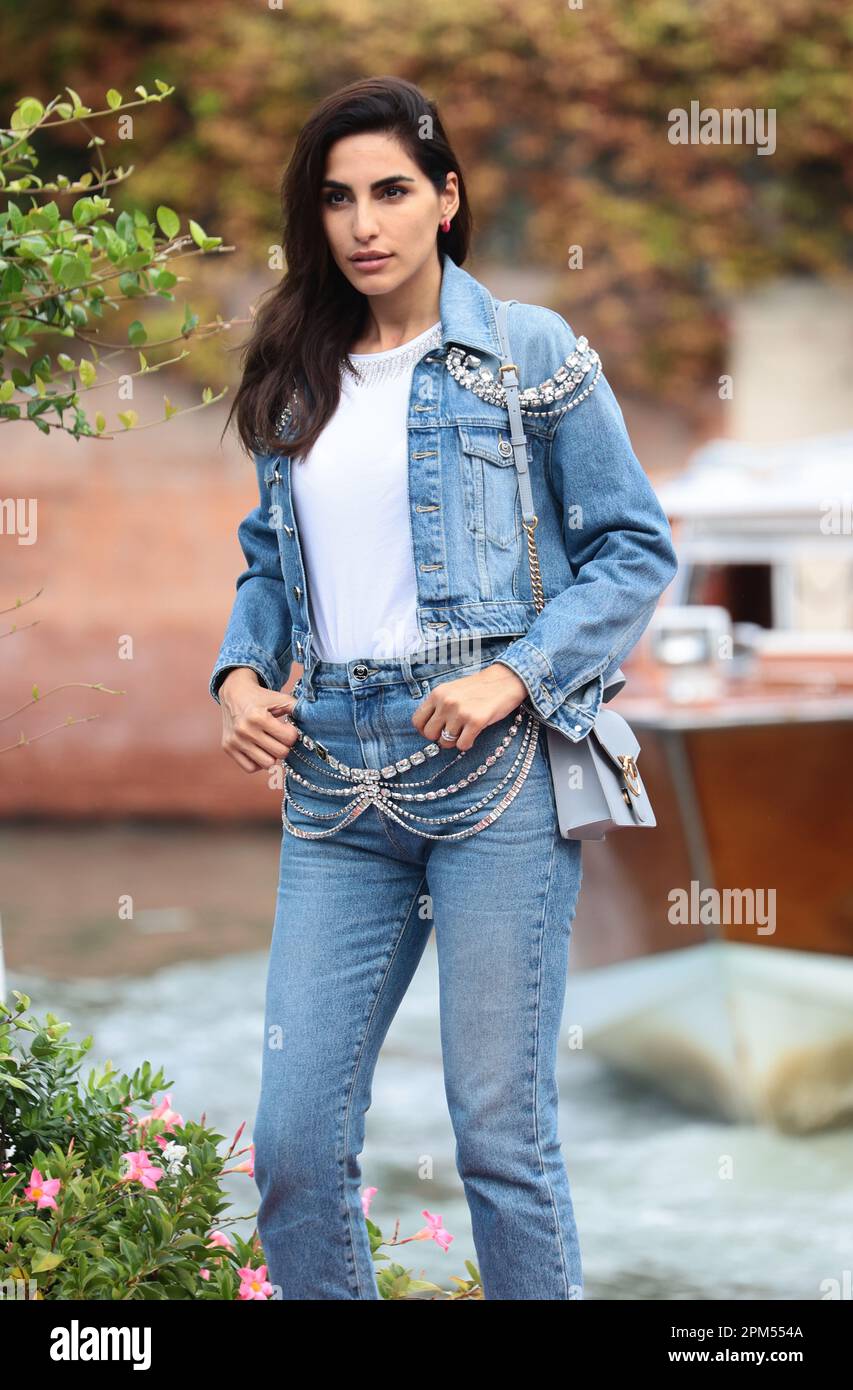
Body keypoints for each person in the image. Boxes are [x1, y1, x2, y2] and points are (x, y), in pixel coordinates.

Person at [209, 75, 678, 1300]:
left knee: (498, 1139)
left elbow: (634, 547)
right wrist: (237, 673)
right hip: (331, 782)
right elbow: (270, 561)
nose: (364, 223)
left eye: (391, 192)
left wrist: (513, 676)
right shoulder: (296, 370)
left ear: (445, 200)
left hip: (497, 779)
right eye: (337, 199)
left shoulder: (526, 351)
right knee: (297, 1144)